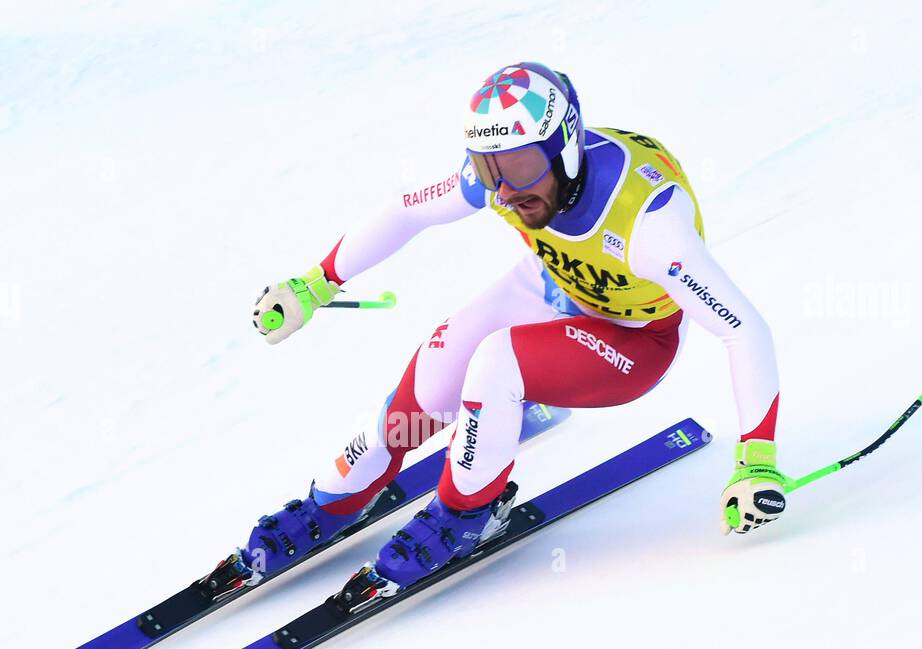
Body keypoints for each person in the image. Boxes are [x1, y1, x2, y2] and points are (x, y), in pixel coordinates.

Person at [247, 61, 785, 590]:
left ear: (567, 149)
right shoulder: (510, 174)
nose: (503, 190)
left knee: (496, 364)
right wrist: (315, 283)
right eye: (487, 168)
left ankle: (465, 515)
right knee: (427, 388)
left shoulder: (650, 223)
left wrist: (756, 462)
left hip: (636, 339)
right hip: (553, 286)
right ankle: (331, 502)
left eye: (522, 169)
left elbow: (744, 330)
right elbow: (406, 212)